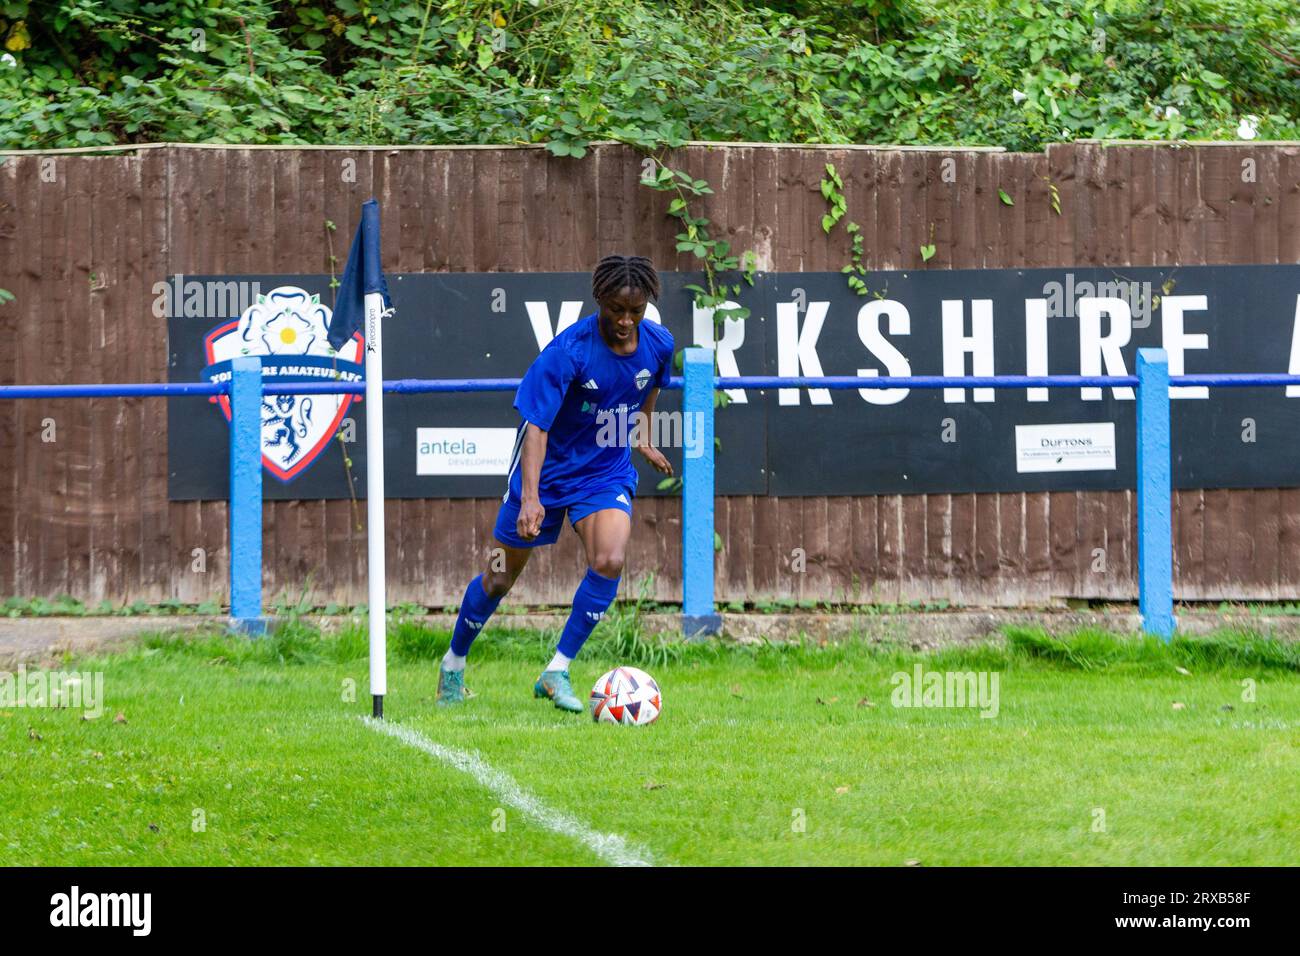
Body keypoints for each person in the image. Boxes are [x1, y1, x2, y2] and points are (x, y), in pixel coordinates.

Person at [437, 255, 675, 712]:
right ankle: (453, 663)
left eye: (635, 311)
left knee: (610, 558)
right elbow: (537, 426)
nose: (626, 321)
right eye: (616, 310)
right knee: (498, 577)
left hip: (604, 471)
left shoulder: (659, 344)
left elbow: (649, 388)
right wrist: (530, 499)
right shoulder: (568, 352)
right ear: (599, 300)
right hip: (544, 472)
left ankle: (556, 670)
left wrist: (642, 434)